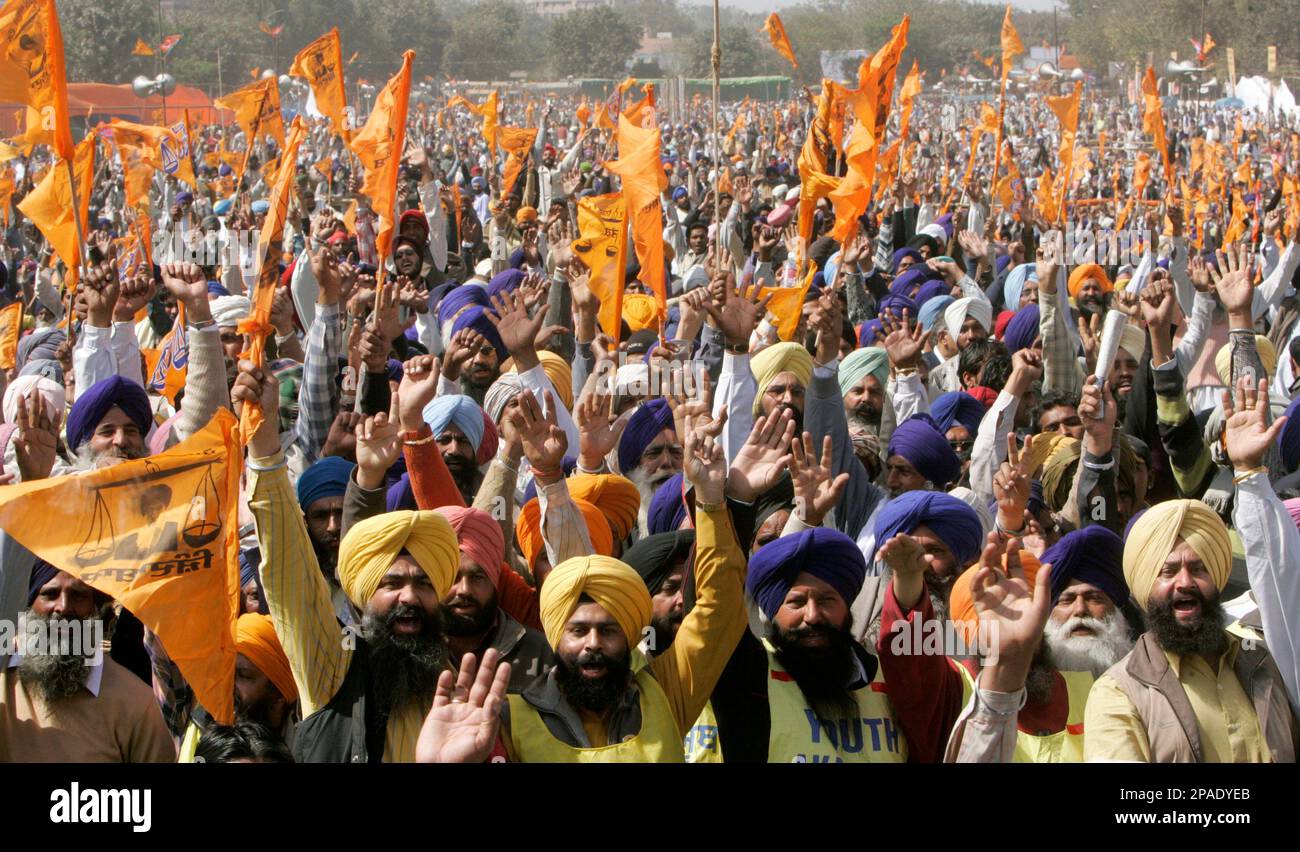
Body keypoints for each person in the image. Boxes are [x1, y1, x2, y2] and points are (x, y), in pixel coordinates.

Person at [414, 411, 747, 762]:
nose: (593, 644)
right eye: (579, 630)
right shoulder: (509, 719)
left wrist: (710, 499)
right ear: (557, 635)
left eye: (607, 630)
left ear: (630, 635)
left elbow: (719, 608)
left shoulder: (665, 693)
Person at [0, 563, 175, 762]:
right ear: (30, 603)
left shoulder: (137, 705)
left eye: (77, 595)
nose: (64, 607)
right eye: (50, 594)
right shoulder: (4, 678)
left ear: (95, 609)